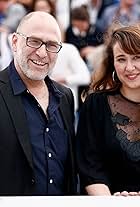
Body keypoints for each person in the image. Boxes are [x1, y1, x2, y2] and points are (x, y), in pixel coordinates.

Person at [0, 11, 77, 195]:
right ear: (15, 42)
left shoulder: (65, 96)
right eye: (34, 41)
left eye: (51, 45)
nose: (42, 53)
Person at [76, 24, 140, 196]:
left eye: (137, 57)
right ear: (112, 63)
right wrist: (110, 202)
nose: (129, 67)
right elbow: (90, 166)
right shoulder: (95, 104)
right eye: (121, 59)